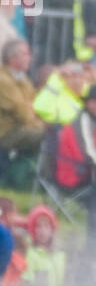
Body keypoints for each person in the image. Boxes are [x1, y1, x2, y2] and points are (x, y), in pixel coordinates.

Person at [0, 39, 45, 183]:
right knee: (46, 136)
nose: (29, 58)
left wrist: (31, 110)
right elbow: (23, 115)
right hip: (6, 133)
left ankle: (23, 178)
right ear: (13, 58)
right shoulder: (3, 80)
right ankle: (22, 179)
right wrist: (30, 110)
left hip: (22, 129)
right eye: (25, 54)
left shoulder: (24, 79)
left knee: (53, 132)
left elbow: (37, 108)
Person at [54, 83, 96, 188]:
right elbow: (89, 154)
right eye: (95, 102)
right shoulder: (83, 122)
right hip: (75, 175)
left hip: (88, 170)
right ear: (87, 103)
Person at [22, 205, 66, 286]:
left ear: (52, 230)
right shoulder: (30, 254)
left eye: (46, 226)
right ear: (33, 230)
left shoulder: (60, 254)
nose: (42, 231)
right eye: (38, 227)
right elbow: (27, 282)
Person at [33, 61, 89, 125]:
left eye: (81, 76)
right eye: (73, 76)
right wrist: (56, 78)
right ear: (63, 78)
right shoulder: (58, 96)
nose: (78, 80)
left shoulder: (88, 93)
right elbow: (41, 108)